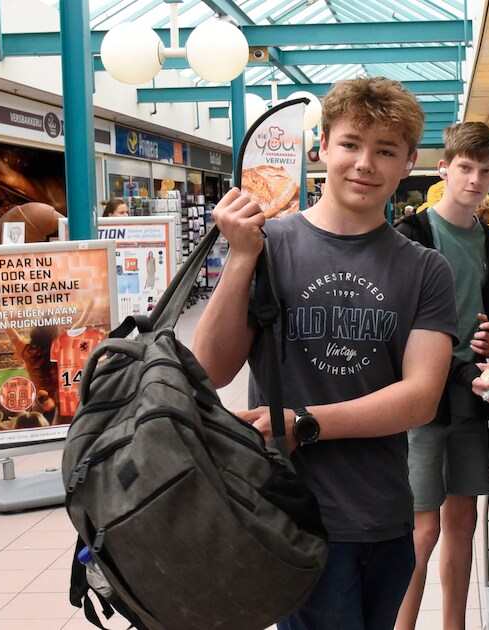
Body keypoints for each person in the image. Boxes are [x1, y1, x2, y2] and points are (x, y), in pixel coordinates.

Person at [192, 76, 459, 630]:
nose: (365, 163)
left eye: (385, 150)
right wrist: (242, 259)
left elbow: (420, 398)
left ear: (410, 162)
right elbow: (210, 370)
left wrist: (305, 423)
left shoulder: (424, 269)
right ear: (322, 150)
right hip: (292, 516)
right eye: (351, 144)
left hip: (387, 517)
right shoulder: (270, 245)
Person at [393, 121, 489, 630]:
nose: (475, 180)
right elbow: (397, 328)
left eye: (486, 170)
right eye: (465, 168)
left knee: (463, 521)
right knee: (421, 529)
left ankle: (455, 625)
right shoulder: (412, 235)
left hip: (473, 399)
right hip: (423, 399)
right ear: (443, 169)